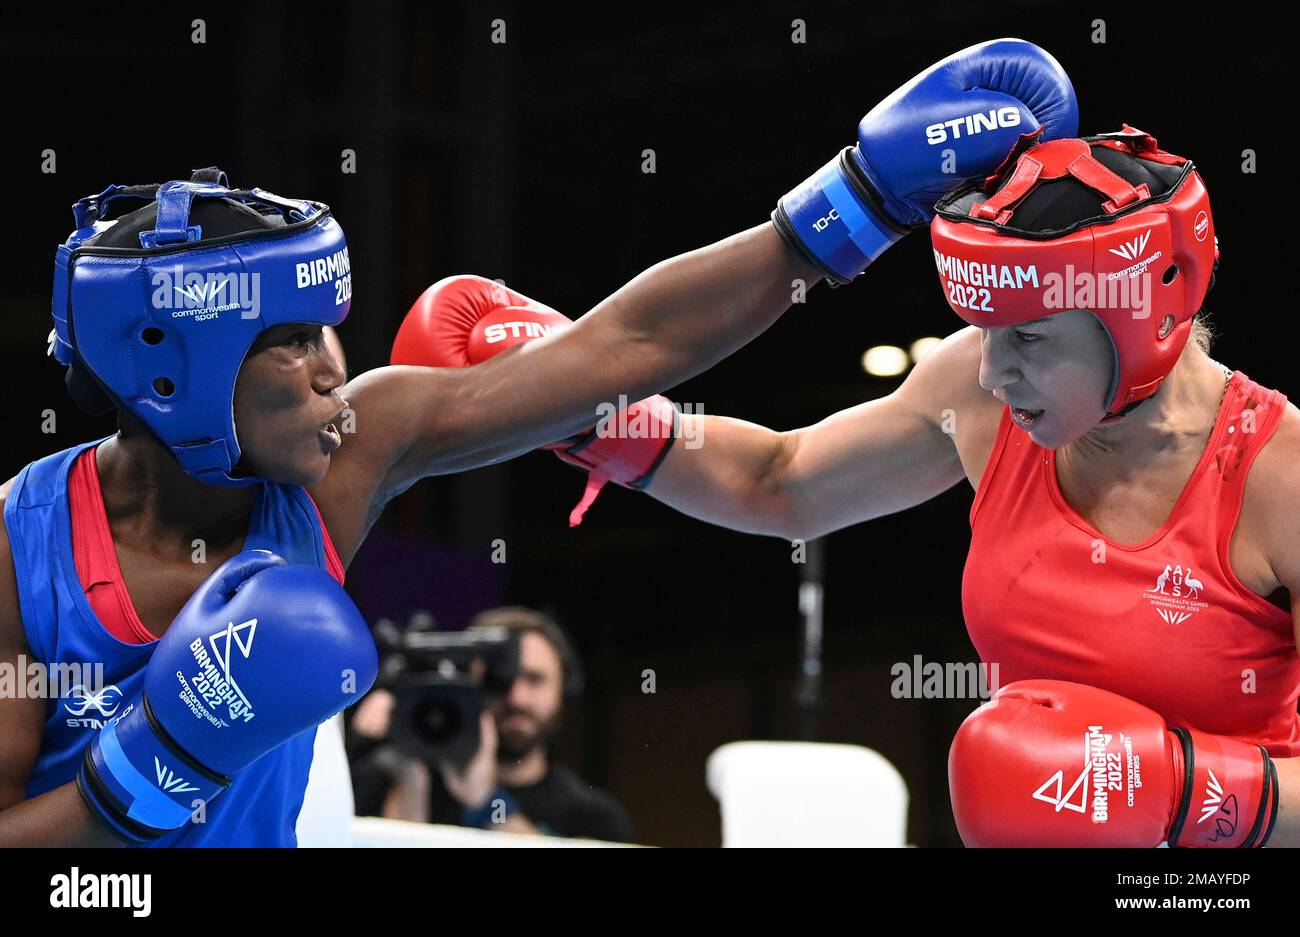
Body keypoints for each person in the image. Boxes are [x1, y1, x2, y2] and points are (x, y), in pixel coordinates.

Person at [0, 39, 1078, 846]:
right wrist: (155, 763)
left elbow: (629, 342)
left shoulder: (355, 453)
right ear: (170, 366)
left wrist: (851, 205)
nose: (335, 366)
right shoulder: (19, 547)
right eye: (288, 343)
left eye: (328, 328)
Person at [486, 127, 1300, 848]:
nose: (991, 369)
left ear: (1148, 317)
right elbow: (782, 480)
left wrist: (1181, 788)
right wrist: (586, 413)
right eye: (984, 332)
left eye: (1028, 337)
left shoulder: (1278, 473)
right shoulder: (984, 397)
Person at [357, 607, 634, 841]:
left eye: (534, 679)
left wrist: (486, 802)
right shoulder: (389, 783)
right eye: (498, 681)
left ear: (564, 689)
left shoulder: (593, 819)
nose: (516, 697)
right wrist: (410, 779)